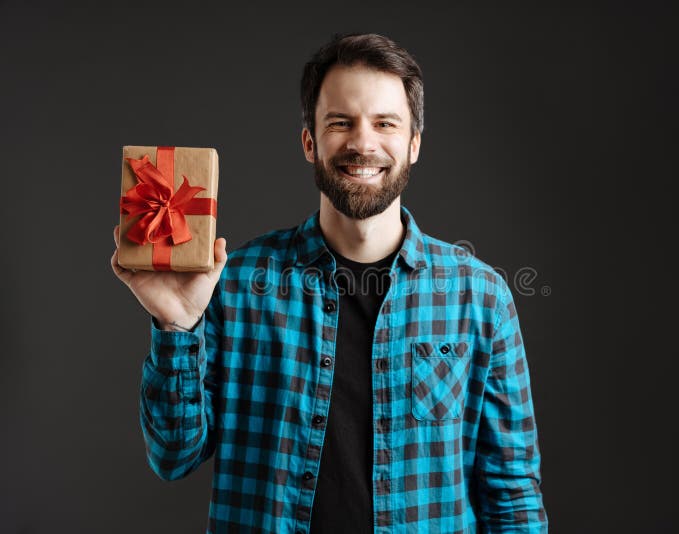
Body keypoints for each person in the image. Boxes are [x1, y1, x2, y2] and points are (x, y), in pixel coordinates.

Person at [111, 32, 547, 533]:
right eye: (341, 123)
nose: (363, 143)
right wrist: (177, 327)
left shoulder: (481, 297)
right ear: (309, 142)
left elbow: (512, 494)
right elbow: (172, 456)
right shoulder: (231, 285)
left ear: (414, 144)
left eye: (385, 123)